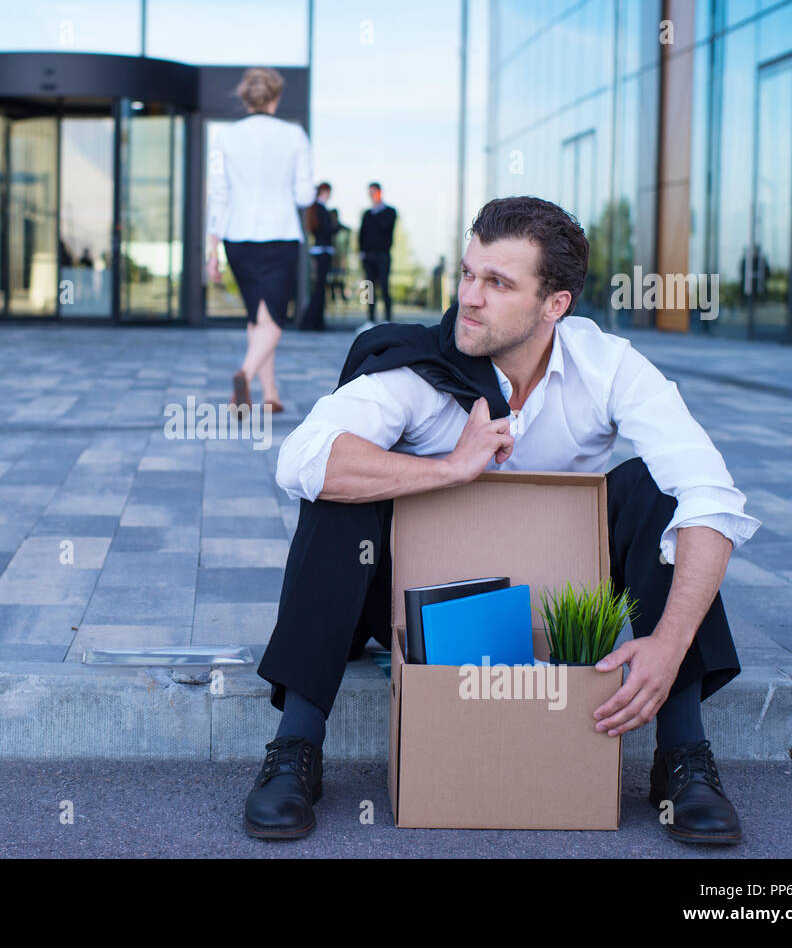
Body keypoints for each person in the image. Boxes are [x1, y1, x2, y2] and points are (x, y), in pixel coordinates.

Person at [243, 196, 761, 845]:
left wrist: (668, 641)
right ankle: (297, 745)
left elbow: (713, 497)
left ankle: (682, 756)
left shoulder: (608, 365)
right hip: (420, 600)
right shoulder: (418, 369)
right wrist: (449, 469)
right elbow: (301, 458)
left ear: (556, 305)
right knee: (338, 489)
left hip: (553, 600)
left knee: (657, 488)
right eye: (467, 273)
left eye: (497, 282)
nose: (470, 296)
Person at [207, 66, 316, 415]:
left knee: (258, 317)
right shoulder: (294, 135)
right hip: (280, 235)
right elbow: (304, 195)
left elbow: (218, 194)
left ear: (245, 98)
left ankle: (270, 393)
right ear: (276, 97)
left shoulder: (224, 137)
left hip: (237, 237)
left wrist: (212, 250)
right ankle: (245, 373)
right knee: (273, 321)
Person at [298, 182, 337, 331]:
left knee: (319, 288)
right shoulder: (320, 209)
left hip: (320, 250)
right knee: (320, 289)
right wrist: (336, 227)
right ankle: (312, 322)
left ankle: (315, 321)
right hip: (323, 251)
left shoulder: (317, 209)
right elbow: (325, 230)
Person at [358, 182, 397, 327]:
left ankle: (387, 319)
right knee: (370, 289)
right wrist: (361, 251)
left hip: (383, 256)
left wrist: (377, 212)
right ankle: (370, 320)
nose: (371, 196)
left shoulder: (390, 212)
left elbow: (385, 227)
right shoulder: (367, 214)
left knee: (385, 287)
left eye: (374, 192)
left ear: (380, 192)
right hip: (369, 257)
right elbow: (362, 234)